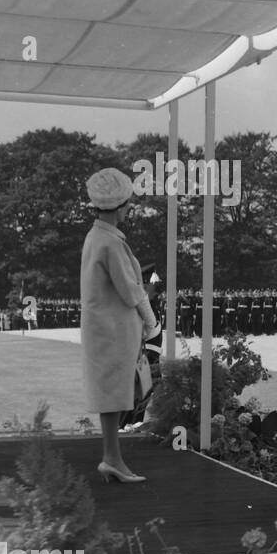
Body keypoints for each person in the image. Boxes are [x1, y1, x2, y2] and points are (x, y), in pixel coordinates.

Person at [80, 168, 157, 484]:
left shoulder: (98, 237)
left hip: (107, 328)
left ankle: (112, 458)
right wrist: (151, 320)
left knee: (112, 394)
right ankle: (112, 458)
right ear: (121, 205)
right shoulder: (109, 242)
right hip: (113, 330)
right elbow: (131, 290)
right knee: (114, 393)